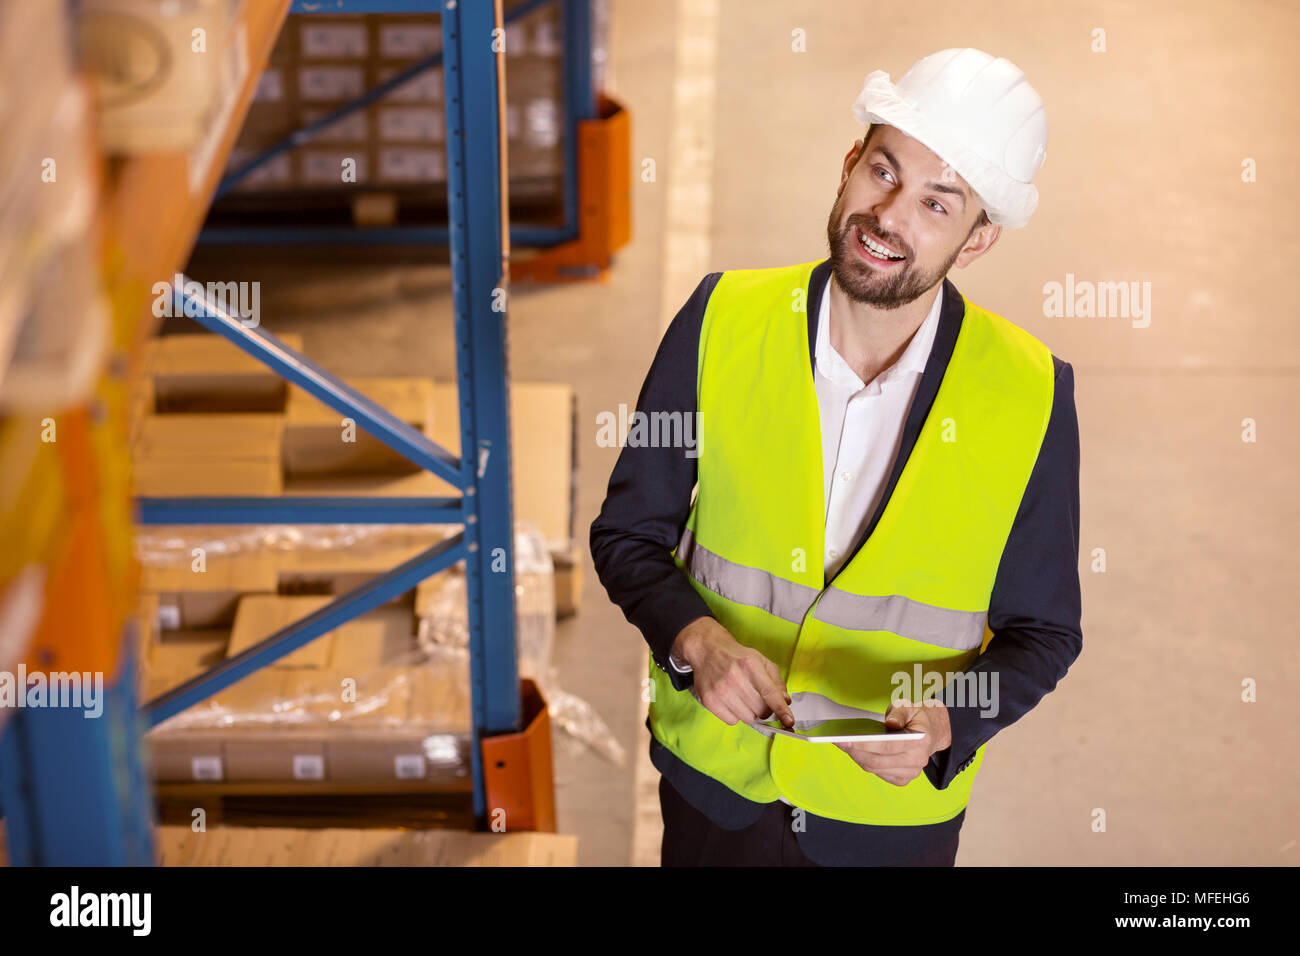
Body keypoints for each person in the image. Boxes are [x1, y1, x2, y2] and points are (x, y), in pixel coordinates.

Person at [591, 48, 1082, 866]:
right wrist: (696, 642)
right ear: (850, 162)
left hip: (883, 823)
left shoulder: (1030, 393)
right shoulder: (722, 320)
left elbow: (1045, 631)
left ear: (977, 241)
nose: (889, 216)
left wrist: (950, 721)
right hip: (717, 790)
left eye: (936, 203)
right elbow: (627, 534)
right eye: (883, 172)